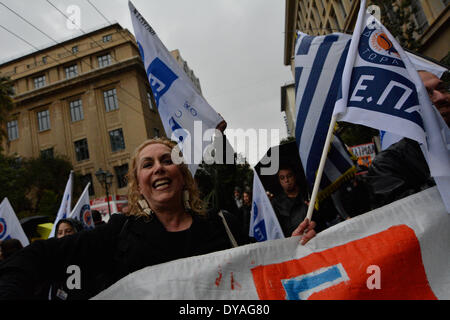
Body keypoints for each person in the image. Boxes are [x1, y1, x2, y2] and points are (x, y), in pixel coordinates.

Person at [0, 138, 316, 300]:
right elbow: (37, 258)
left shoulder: (224, 225)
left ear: (183, 176)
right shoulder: (118, 234)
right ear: (138, 183)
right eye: (148, 164)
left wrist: (293, 248)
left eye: (167, 160)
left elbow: (264, 273)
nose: (159, 168)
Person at [364, 70, 449, 208]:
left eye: (441, 88)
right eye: (425, 94)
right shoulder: (388, 165)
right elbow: (410, 214)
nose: (440, 97)